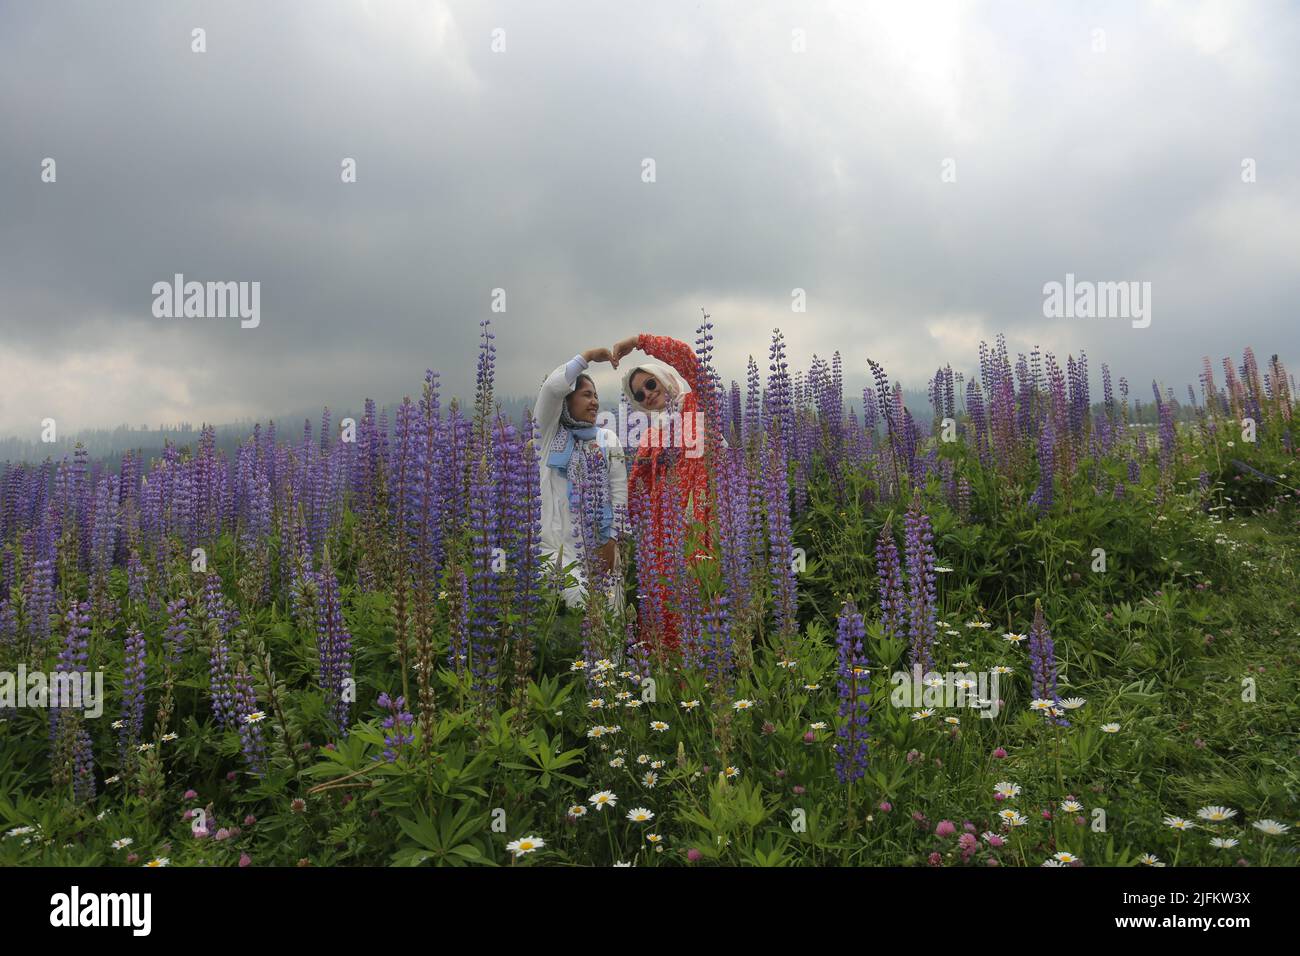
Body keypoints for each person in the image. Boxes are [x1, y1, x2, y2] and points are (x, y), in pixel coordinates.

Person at [612, 333, 718, 650]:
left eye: (650, 385)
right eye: (639, 395)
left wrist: (638, 341)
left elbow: (687, 357)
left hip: (699, 520)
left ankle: (705, 682)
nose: (647, 395)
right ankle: (664, 683)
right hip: (661, 532)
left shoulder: (698, 405)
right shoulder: (652, 433)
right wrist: (616, 530)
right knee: (663, 602)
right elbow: (637, 487)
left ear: (665, 380)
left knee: (697, 596)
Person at [534, 347, 628, 609]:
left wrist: (611, 539)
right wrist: (584, 358)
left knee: (612, 616)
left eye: (596, 396)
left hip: (600, 547)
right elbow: (551, 390)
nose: (595, 402)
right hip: (554, 550)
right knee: (580, 607)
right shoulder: (548, 436)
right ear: (567, 401)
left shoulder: (607, 439)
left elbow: (619, 493)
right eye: (586, 395)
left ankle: (615, 653)